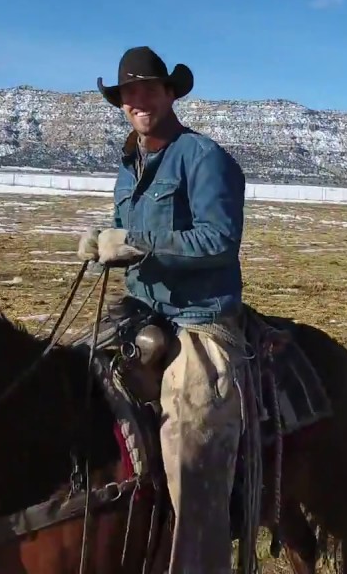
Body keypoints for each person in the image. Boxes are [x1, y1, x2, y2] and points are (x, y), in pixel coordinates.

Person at [79, 45, 247, 573]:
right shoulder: (130, 165)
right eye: (129, 92)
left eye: (149, 88)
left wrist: (137, 241)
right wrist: (105, 245)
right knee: (69, 381)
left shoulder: (204, 157)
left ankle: (200, 560)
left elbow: (219, 240)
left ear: (171, 93)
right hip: (140, 309)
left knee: (188, 448)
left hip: (199, 317)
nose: (139, 99)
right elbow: (128, 236)